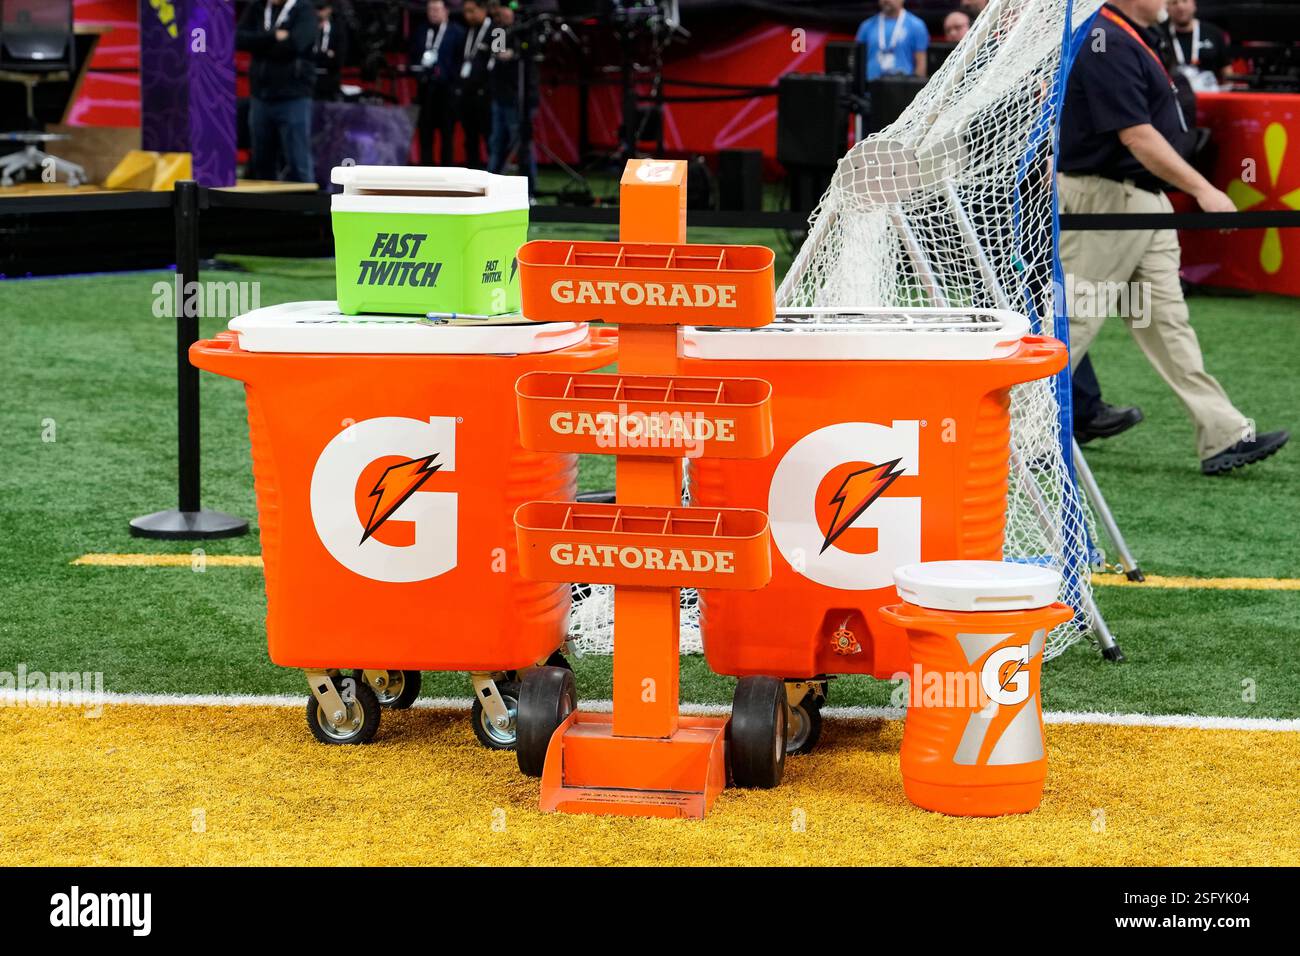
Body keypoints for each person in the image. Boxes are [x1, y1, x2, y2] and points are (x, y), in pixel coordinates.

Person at [1058, 0, 1287, 474]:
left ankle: (1223, 433)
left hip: (1141, 198)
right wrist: (1203, 190)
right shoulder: (1107, 38)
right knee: (1076, 320)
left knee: (1166, 321)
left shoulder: (1127, 34)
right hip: (1110, 198)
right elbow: (1136, 135)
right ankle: (1011, 429)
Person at [236, 0, 318, 184]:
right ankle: (267, 209)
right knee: (261, 161)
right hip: (260, 97)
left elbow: (296, 45)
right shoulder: (257, 7)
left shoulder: (303, 9)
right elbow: (238, 39)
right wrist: (273, 37)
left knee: (298, 161)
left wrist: (258, 43)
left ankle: (308, 209)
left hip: (293, 97)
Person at [486, 1, 537, 193]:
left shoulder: (528, 28)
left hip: (521, 98)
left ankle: (529, 190)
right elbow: (499, 53)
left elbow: (529, 53)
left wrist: (514, 53)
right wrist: (505, 54)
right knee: (497, 144)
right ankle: (491, 189)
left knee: (523, 145)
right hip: (501, 96)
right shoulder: (499, 30)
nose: (504, 13)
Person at [411, 0, 464, 166]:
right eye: (430, 9)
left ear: (446, 11)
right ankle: (426, 170)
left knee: (447, 133)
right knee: (425, 133)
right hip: (425, 90)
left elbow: (459, 61)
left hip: (446, 91)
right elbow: (412, 56)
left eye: (436, 9)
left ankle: (447, 170)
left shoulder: (456, 32)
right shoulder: (421, 30)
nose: (433, 13)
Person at [456, 0, 495, 169]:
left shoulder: (497, 30)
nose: (468, 15)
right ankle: (472, 174)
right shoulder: (467, 31)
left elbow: (498, 62)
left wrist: (486, 87)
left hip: (487, 94)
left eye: (472, 11)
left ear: (483, 9)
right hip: (467, 93)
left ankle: (495, 173)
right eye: (465, 11)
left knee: (491, 138)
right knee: (470, 137)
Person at [1162, 0, 1230, 90]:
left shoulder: (1214, 33)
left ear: (1194, 4)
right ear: (1167, 8)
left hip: (1210, 95)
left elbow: (1226, 70)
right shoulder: (1160, 35)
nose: (1180, 7)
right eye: (1174, 2)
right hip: (1174, 95)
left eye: (1184, 1)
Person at [855, 0, 929, 81]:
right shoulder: (866, 26)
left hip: (903, 89)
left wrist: (915, 91)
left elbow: (921, 65)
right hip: (870, 89)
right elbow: (858, 64)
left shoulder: (917, 26)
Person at [312, 1, 349, 101]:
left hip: (329, 81)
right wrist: (326, 54)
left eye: (321, 9)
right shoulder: (308, 27)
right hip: (308, 79)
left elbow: (339, 59)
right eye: (316, 9)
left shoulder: (337, 29)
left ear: (329, 9)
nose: (318, 12)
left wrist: (319, 56)